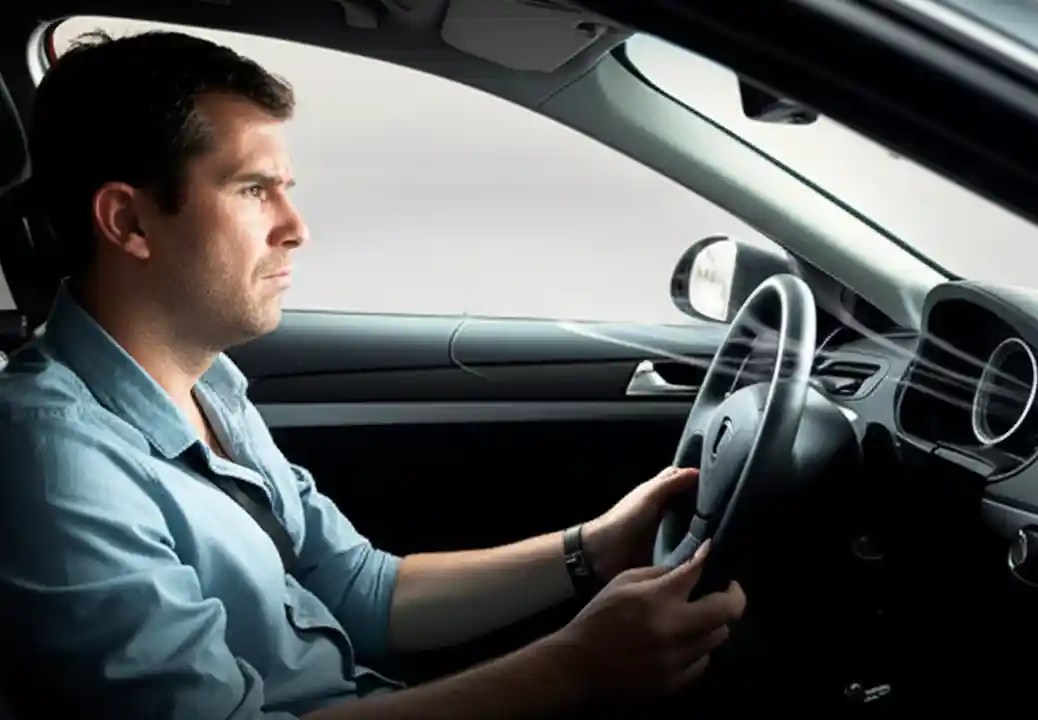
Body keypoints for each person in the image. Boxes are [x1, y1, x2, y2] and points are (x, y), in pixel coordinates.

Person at [0, 30, 746, 719]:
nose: (296, 226)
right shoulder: (53, 463)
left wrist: (592, 549)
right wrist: (575, 668)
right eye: (253, 190)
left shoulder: (207, 385)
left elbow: (357, 589)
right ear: (128, 223)